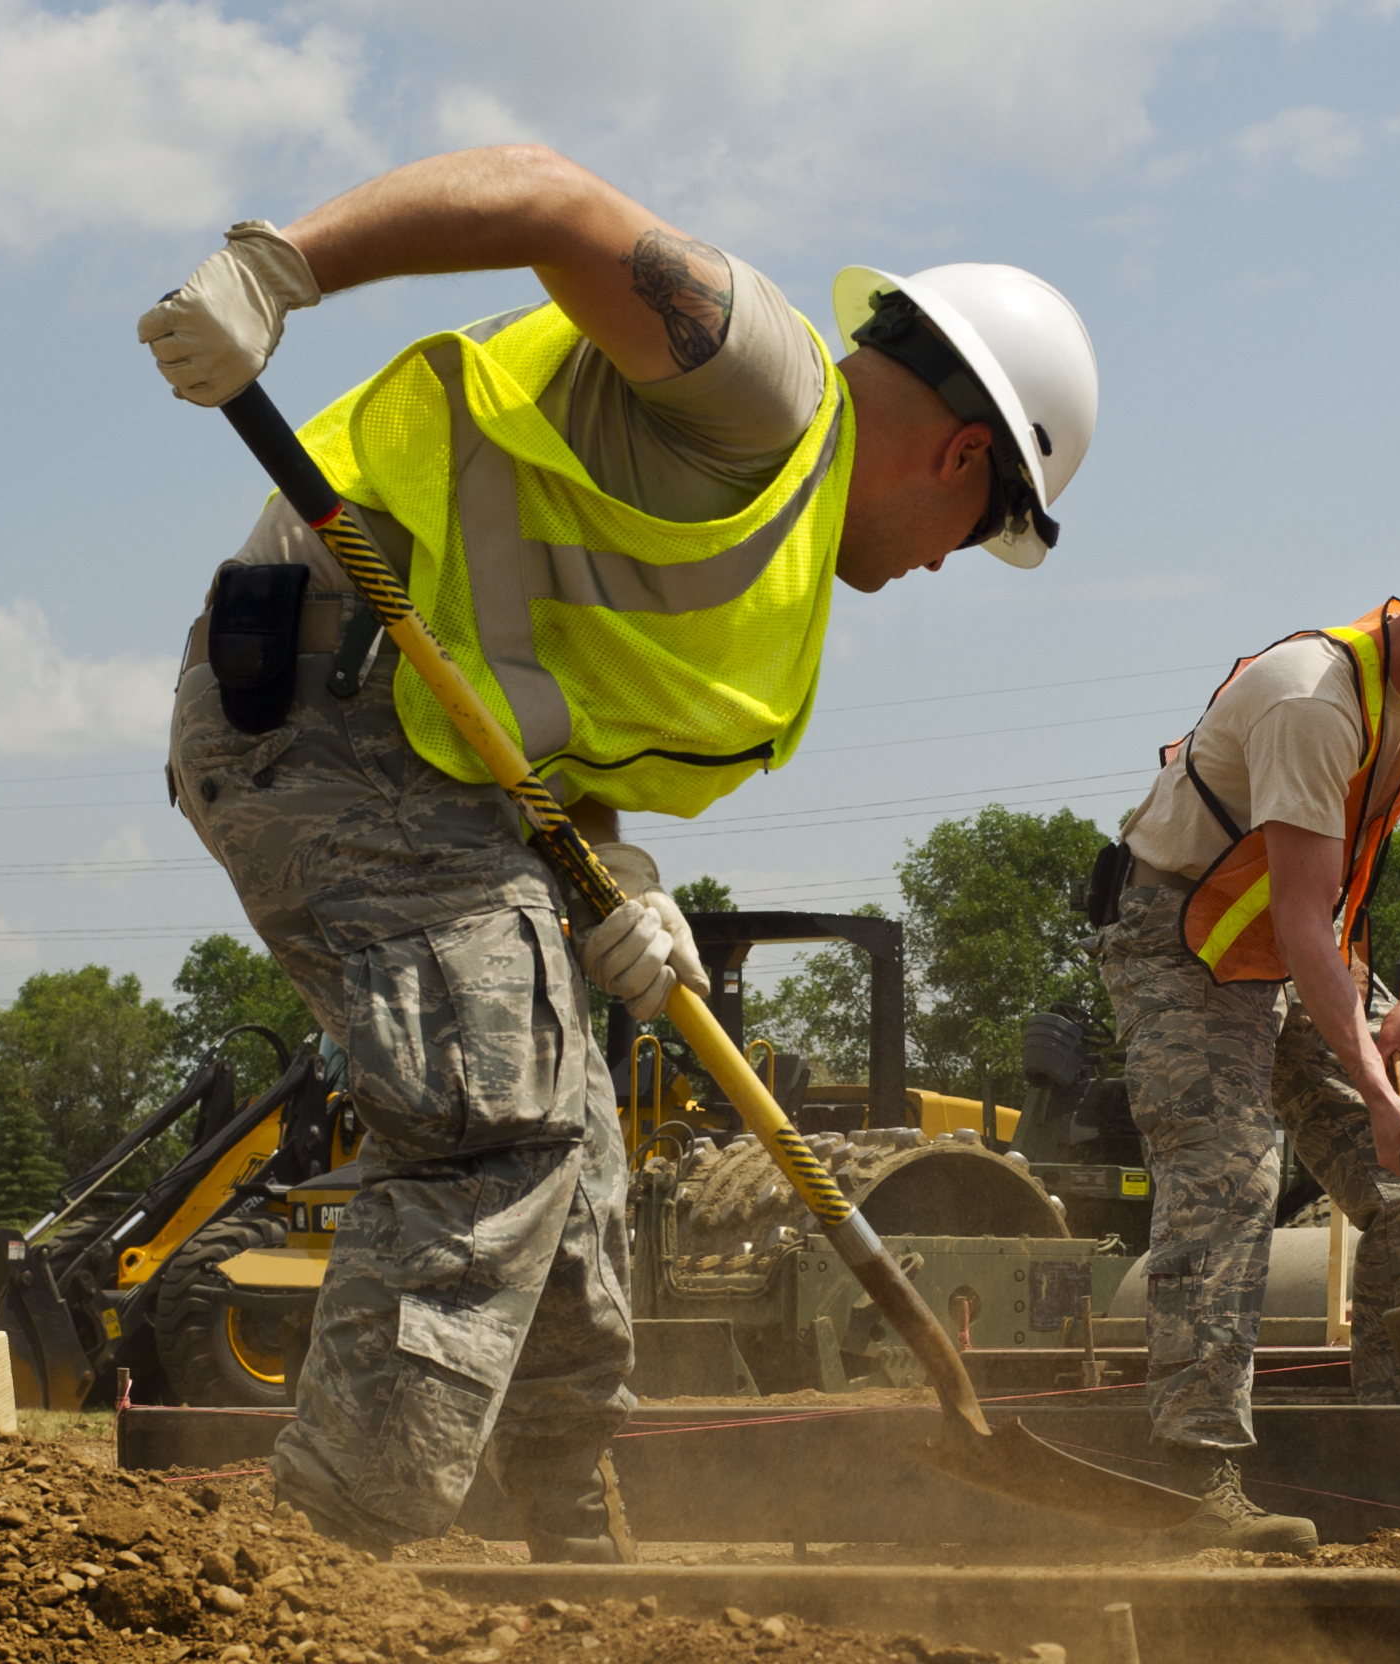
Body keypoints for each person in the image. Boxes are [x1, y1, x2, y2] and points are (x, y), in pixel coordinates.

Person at [139, 145, 1098, 1559]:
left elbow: (542, 706)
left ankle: (568, 1534)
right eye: (979, 530)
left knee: (580, 1159)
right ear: (966, 457)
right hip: (327, 713)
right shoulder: (766, 389)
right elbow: (546, 197)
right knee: (495, 1111)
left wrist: (615, 878)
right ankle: (326, 1558)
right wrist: (279, 271)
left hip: (441, 768)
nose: (947, 561)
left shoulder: (772, 522)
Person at [1098, 510, 1400, 1552]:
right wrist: (1371, 1089)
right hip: (1179, 943)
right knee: (1228, 1179)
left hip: (1308, 951)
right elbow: (1293, 914)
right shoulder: (1310, 699)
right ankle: (1196, 1479)